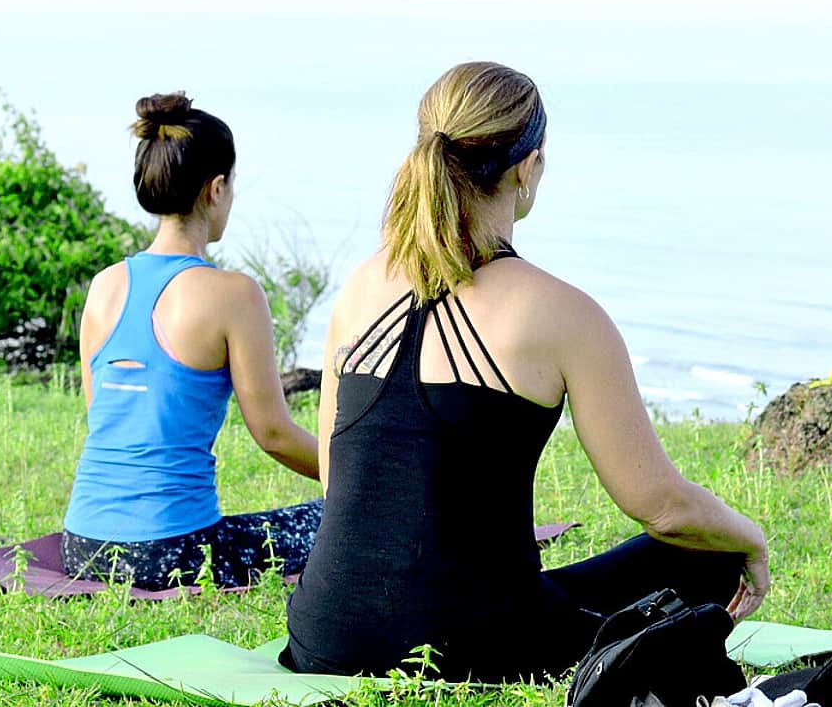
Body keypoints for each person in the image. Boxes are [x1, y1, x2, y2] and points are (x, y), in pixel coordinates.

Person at [282, 62, 770, 682]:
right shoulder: (564, 313)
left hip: (323, 640)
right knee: (705, 556)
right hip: (472, 650)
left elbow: (335, 474)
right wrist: (748, 538)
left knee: (542, 585)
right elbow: (663, 508)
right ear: (526, 167)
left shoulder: (360, 287)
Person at [61, 92, 322, 590]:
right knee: (333, 517)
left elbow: (102, 418)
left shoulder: (105, 285)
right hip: (173, 553)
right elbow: (273, 434)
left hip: (83, 548)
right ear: (216, 188)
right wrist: (361, 484)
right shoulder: (234, 294)